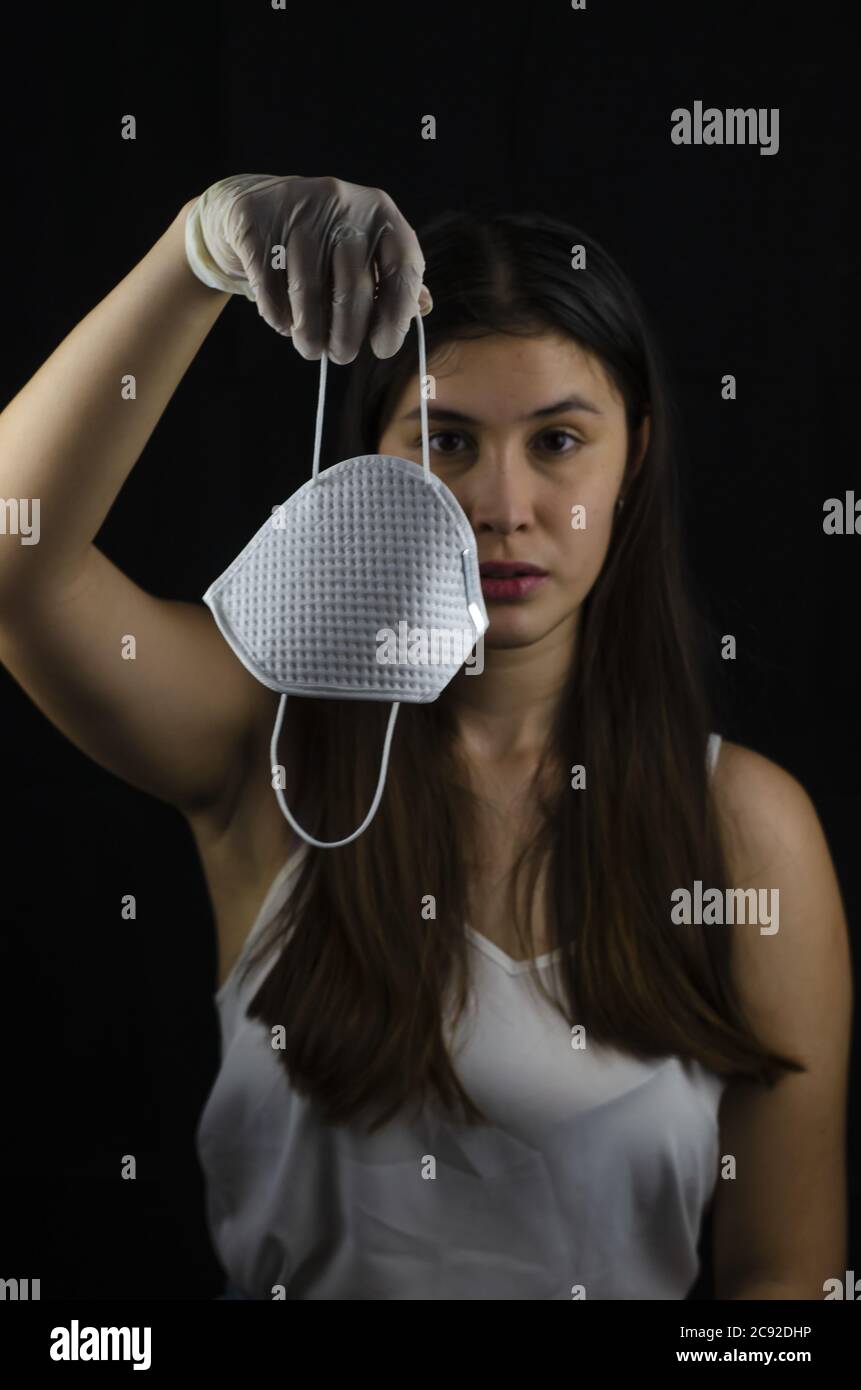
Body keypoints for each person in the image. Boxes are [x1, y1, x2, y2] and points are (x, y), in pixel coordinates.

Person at [0, 175, 850, 1301]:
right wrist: (189, 257)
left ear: (633, 460)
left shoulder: (747, 830)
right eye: (446, 440)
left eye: (557, 441)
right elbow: (16, 569)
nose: (502, 504)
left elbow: (784, 1285)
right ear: (374, 461)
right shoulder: (268, 748)